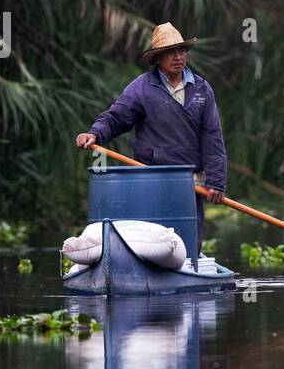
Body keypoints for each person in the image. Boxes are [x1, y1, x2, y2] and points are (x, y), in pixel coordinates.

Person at [76, 23, 227, 251]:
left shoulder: (202, 89)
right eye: (171, 52)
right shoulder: (142, 88)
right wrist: (94, 133)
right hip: (152, 178)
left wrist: (216, 181)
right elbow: (116, 117)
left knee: (188, 244)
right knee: (151, 241)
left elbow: (212, 137)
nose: (178, 57)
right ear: (158, 58)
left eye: (181, 51)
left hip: (190, 182)